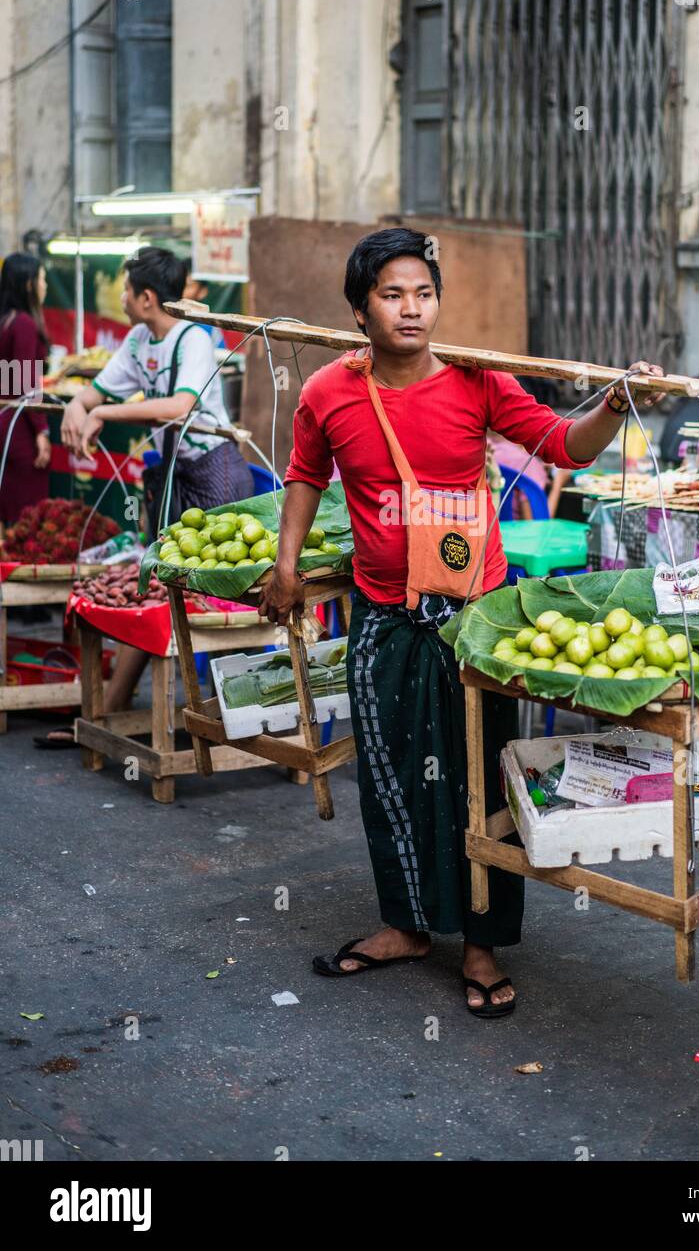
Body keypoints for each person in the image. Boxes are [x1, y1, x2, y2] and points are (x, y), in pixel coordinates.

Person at [259, 226, 665, 1016]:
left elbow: (563, 445)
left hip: (474, 622)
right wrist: (285, 564)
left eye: (423, 293)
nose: (412, 309)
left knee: (479, 779)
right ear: (358, 311)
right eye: (391, 294)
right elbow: (306, 478)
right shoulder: (328, 394)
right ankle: (406, 924)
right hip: (382, 614)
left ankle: (479, 945)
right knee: (389, 777)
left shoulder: (477, 382)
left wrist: (615, 403)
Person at [37, 247, 253, 748]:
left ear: (147, 297)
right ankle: (107, 717)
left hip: (214, 476)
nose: (123, 299)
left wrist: (106, 415)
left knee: (220, 593)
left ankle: (236, 718)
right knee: (158, 581)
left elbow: (180, 405)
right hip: (174, 477)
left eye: (127, 291)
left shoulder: (192, 339)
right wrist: (77, 405)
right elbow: (97, 390)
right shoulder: (139, 340)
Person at [0, 252, 51, 530]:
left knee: (8, 506)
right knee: (26, 516)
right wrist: (42, 430)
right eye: (42, 279)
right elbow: (25, 382)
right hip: (18, 427)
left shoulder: (6, 320)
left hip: (5, 418)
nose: (45, 286)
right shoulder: (23, 324)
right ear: (29, 284)